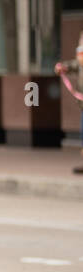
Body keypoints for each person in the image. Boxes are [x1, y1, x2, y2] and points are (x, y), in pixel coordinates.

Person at [55, 43, 83, 174]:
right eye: (79, 54)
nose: (80, 57)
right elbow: (72, 65)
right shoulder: (79, 65)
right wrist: (62, 67)